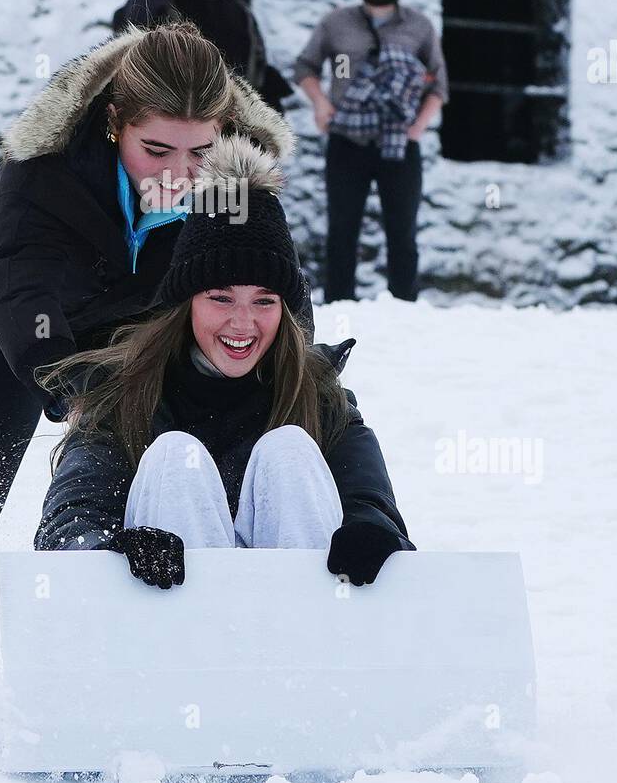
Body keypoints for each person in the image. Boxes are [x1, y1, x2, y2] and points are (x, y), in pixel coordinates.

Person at [0, 22, 296, 642]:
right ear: (113, 120)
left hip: (140, 328)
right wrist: (72, 387)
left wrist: (301, 376)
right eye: (156, 150)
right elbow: (24, 294)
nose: (180, 174)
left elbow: (274, 287)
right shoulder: (40, 177)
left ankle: (163, 634)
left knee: (170, 466)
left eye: (199, 152)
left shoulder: (233, 190)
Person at [35, 132, 415, 589]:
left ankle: (310, 647)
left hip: (298, 620)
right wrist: (110, 548)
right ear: (187, 303)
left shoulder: (316, 392)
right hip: (164, 627)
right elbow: (71, 519)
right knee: (176, 457)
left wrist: (370, 531)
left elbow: (369, 500)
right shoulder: (126, 389)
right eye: (220, 298)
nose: (243, 323)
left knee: (289, 449)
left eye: (264, 301)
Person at [294, 0, 449, 303]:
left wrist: (419, 127)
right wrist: (320, 104)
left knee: (403, 233)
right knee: (342, 231)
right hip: (347, 140)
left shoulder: (419, 27)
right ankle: (336, 308)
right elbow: (305, 67)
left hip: (399, 142)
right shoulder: (336, 23)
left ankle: (405, 310)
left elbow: (438, 83)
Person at [112, 0, 293, 111]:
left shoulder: (240, 12)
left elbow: (256, 66)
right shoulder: (164, 0)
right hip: (170, 110)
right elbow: (130, 26)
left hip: (230, 116)